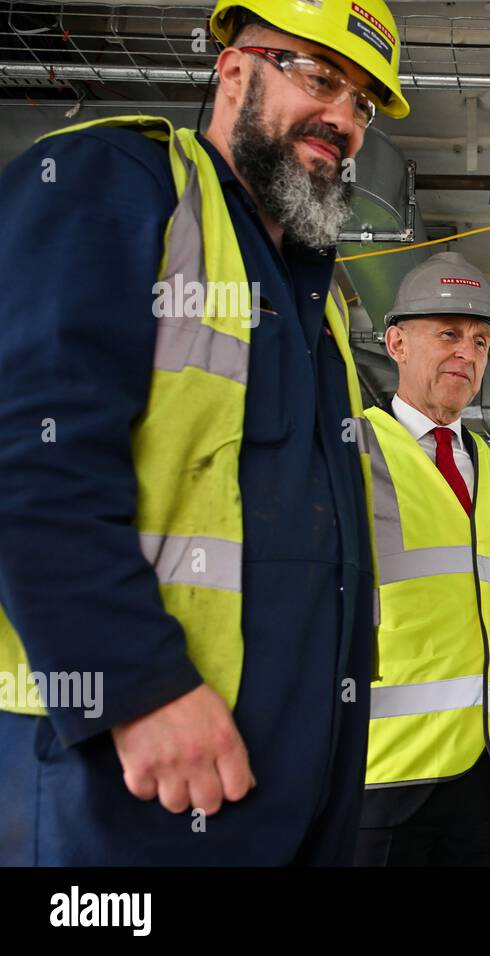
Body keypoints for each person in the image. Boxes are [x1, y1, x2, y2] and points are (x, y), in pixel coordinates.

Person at [0, 0, 408, 865]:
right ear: (233, 68)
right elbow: (31, 452)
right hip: (125, 771)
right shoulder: (113, 180)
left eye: (365, 101)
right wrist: (132, 687)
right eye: (320, 75)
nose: (344, 117)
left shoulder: (316, 299)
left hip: (291, 782)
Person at [354, 251, 490, 867]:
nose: (467, 352)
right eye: (447, 333)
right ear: (396, 343)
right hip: (390, 772)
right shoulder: (350, 452)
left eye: (481, 339)